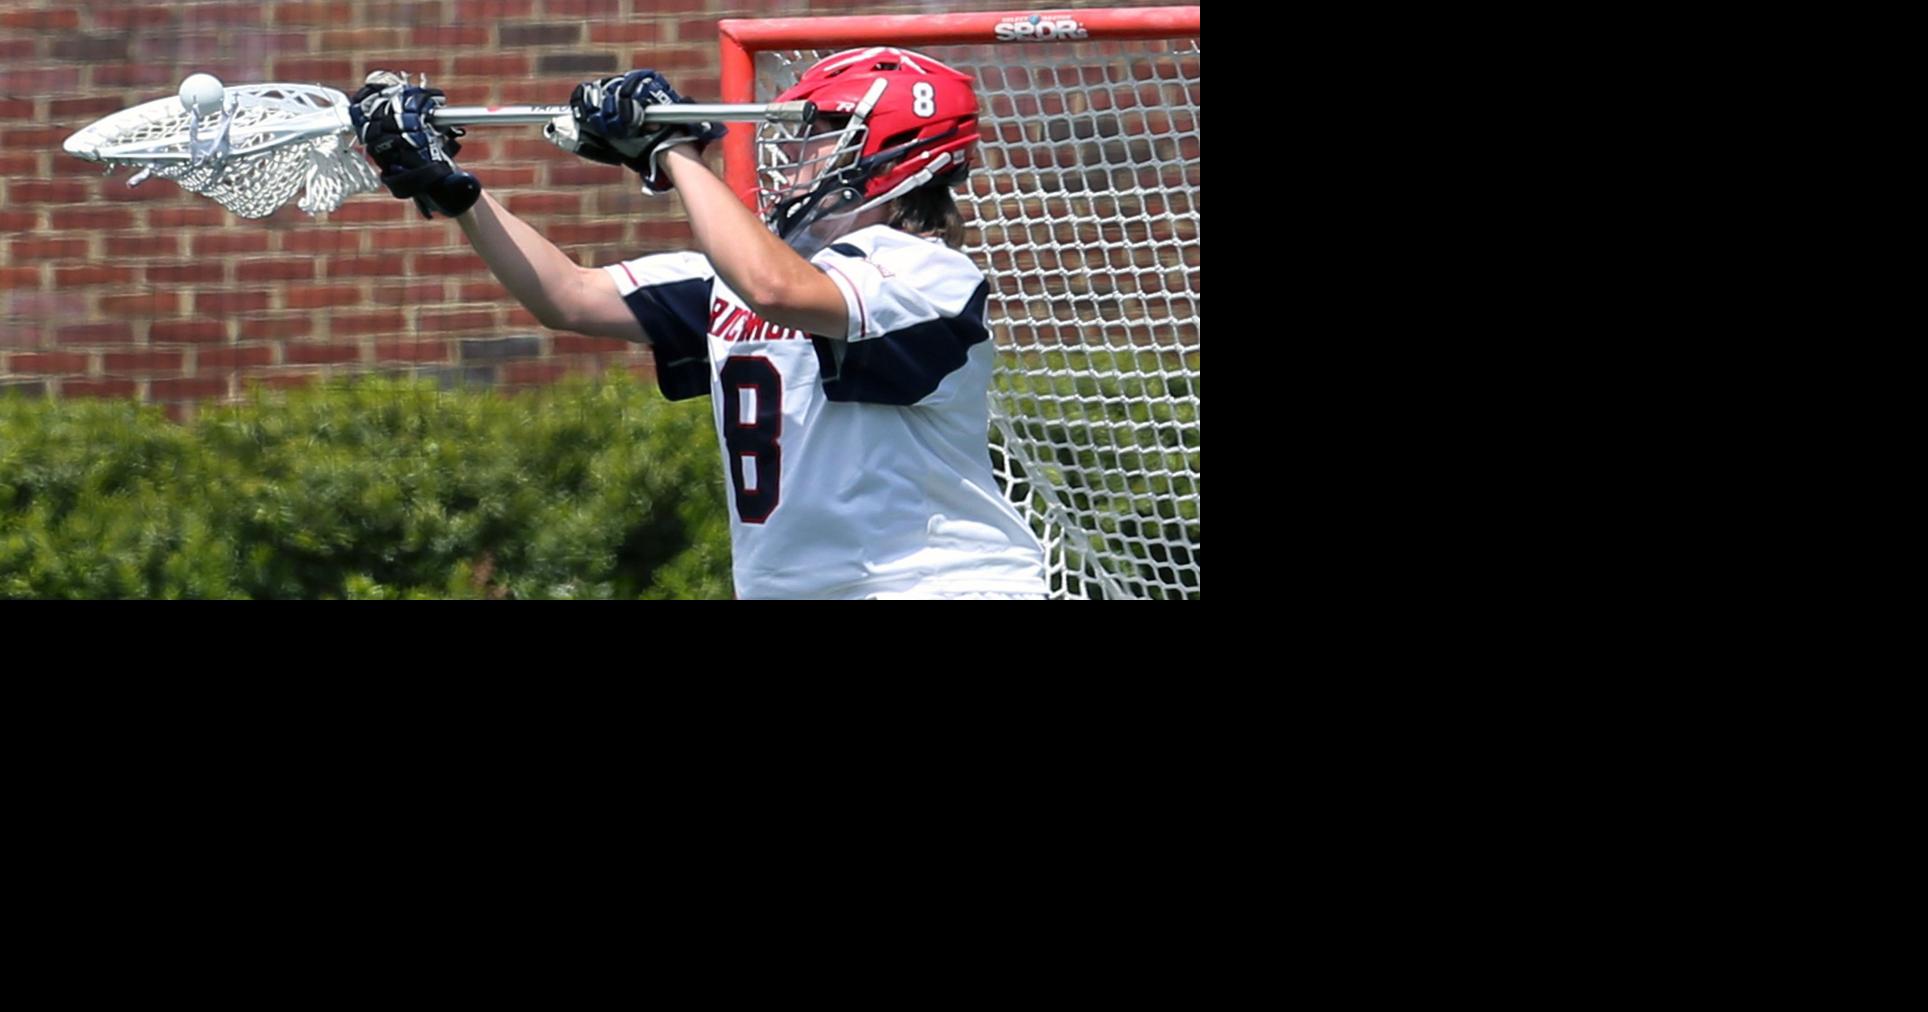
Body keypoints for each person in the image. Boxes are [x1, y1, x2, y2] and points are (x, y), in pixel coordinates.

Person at [347, 49, 1047, 600]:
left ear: (895, 149)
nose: (796, 155)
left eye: (820, 134)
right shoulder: (739, 278)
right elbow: (568, 295)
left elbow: (775, 287)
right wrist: (452, 188)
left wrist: (672, 153)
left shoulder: (927, 274)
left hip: (941, 585)